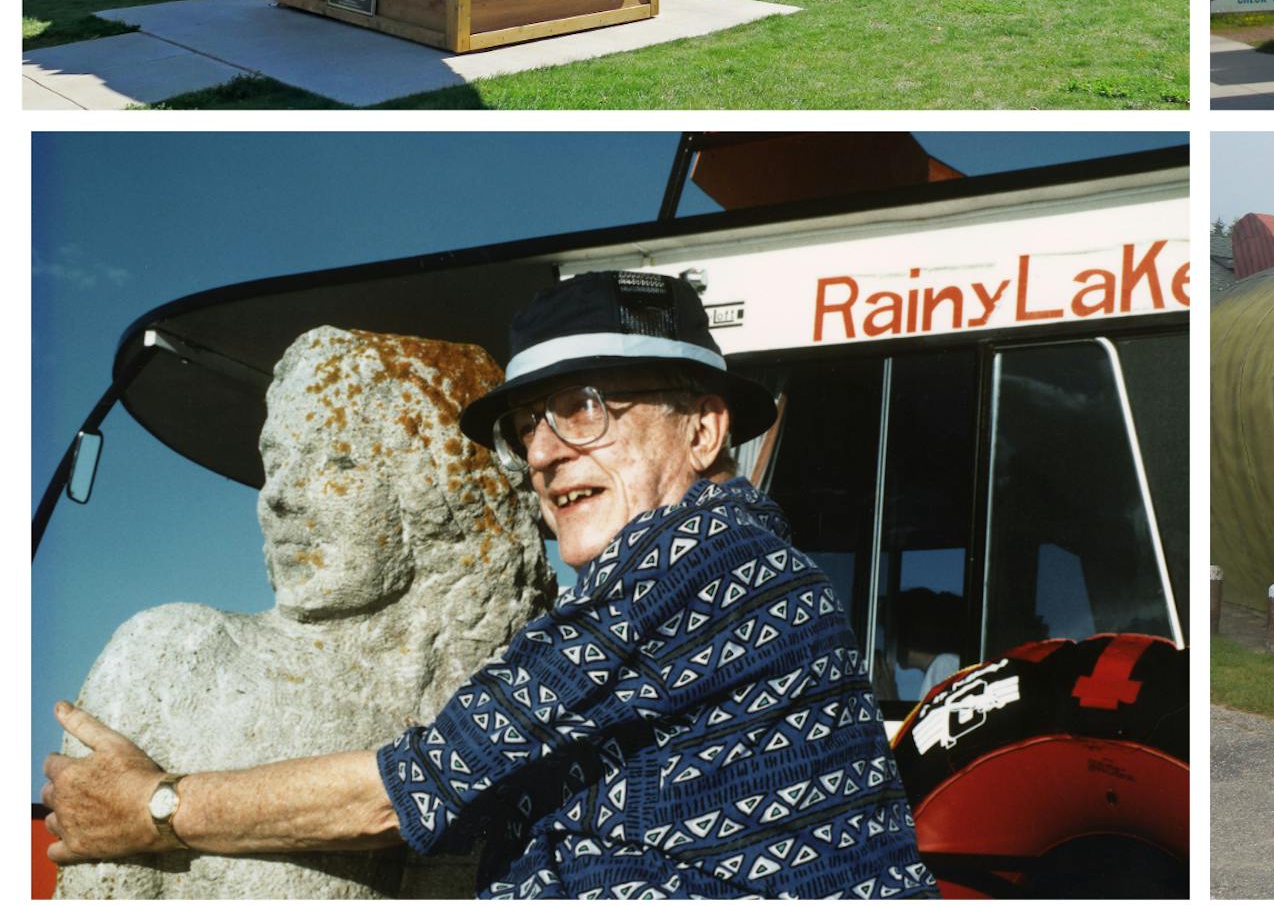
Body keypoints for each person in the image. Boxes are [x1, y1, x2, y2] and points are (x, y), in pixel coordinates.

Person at [44, 270, 937, 899]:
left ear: (703, 430)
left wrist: (156, 805)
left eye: (585, 407)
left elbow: (401, 793)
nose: (544, 451)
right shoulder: (720, 569)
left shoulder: (697, 563)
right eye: (524, 426)